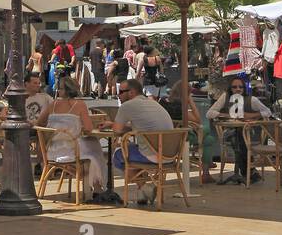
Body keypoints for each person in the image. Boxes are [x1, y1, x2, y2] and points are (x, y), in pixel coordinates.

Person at [102, 78, 173, 206]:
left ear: (132, 92)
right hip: (171, 155)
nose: (118, 95)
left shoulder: (127, 106)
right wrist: (113, 124)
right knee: (136, 149)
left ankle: (145, 187)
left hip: (153, 155)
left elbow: (117, 130)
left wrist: (111, 124)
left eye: (121, 91)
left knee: (118, 155)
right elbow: (137, 128)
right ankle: (142, 195)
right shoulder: (153, 103)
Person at [38, 76, 107, 195]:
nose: (58, 91)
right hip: (71, 151)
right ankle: (97, 186)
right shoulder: (79, 105)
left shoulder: (53, 104)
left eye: (60, 89)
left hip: (51, 151)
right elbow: (89, 129)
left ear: (66, 90)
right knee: (94, 147)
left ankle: (86, 180)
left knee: (91, 147)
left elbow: (39, 123)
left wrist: (54, 128)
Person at [206, 78, 273, 184]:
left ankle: (246, 172)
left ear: (244, 88)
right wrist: (227, 115)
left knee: (239, 138)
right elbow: (209, 113)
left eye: (240, 87)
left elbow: (268, 112)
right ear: (230, 88)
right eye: (234, 87)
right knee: (235, 137)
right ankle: (249, 172)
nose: (238, 89)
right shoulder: (225, 97)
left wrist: (251, 115)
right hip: (230, 130)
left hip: (247, 131)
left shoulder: (251, 100)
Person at [164, 80, 213, 184]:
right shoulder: (180, 106)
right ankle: (206, 172)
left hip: (168, 136)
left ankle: (207, 170)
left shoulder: (166, 101)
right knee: (207, 131)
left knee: (208, 140)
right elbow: (198, 119)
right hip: (183, 137)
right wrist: (190, 101)